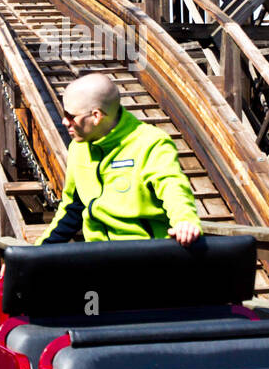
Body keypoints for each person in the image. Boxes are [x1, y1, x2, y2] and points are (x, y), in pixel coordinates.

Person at [38, 72, 202, 245]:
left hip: (145, 252)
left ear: (96, 116)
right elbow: (72, 208)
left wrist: (184, 220)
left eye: (70, 116)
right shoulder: (78, 148)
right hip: (99, 253)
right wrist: (34, 255)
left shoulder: (150, 142)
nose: (64, 122)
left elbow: (172, 185)